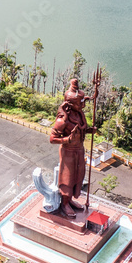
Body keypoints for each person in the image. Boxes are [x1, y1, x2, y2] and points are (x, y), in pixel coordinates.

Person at [49, 78, 97, 219]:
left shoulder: (80, 115)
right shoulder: (63, 120)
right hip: (68, 152)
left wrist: (89, 130)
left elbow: (81, 130)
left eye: (82, 102)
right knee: (68, 178)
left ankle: (70, 200)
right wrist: (66, 140)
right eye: (80, 103)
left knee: (78, 176)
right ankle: (64, 203)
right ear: (70, 104)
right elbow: (52, 139)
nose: (83, 105)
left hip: (79, 150)